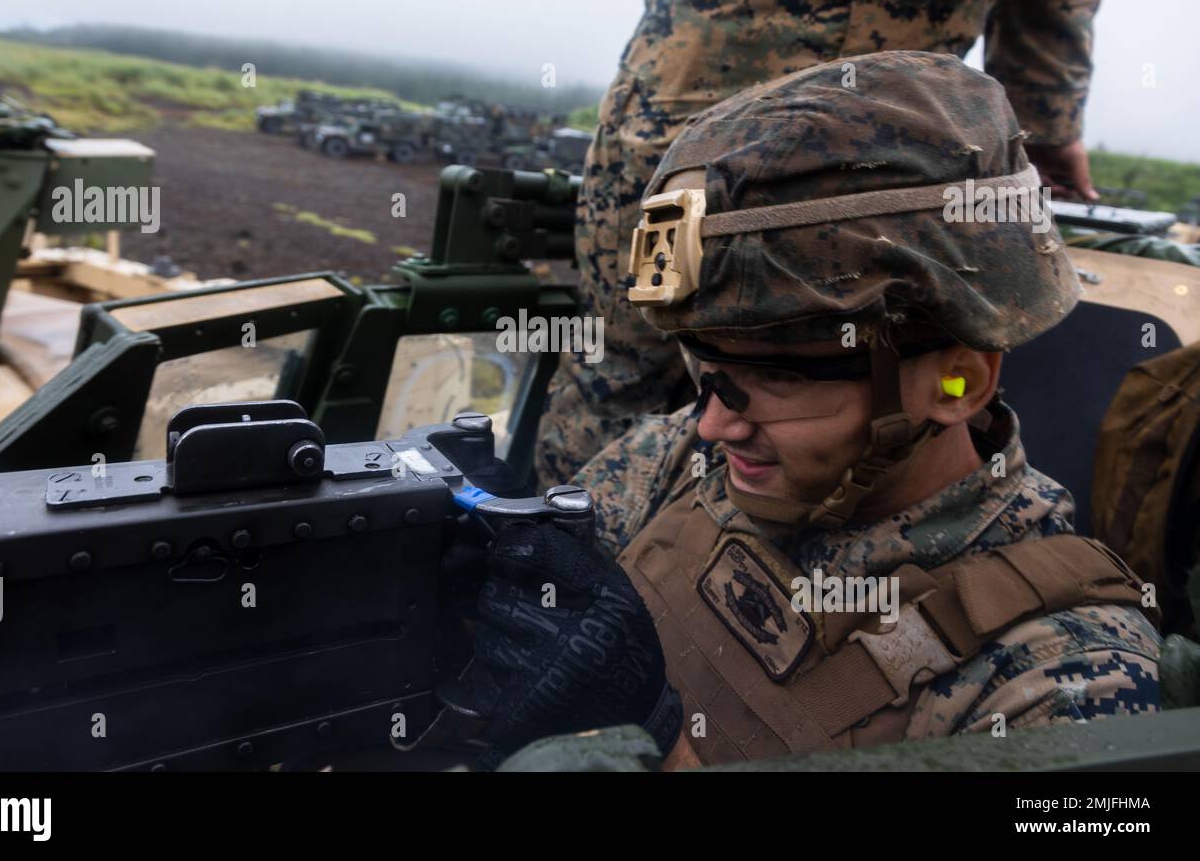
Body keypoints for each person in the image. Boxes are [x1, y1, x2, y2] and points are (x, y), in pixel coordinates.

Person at [463, 51, 1160, 770]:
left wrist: (659, 749)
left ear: (959, 381)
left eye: (779, 377)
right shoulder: (687, 459)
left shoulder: (1065, 680)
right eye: (708, 365)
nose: (713, 422)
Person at [536, 0, 1118, 489]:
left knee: (759, 374)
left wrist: (1043, 124)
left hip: (849, 77)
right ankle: (589, 545)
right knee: (651, 342)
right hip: (794, 55)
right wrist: (1047, 124)